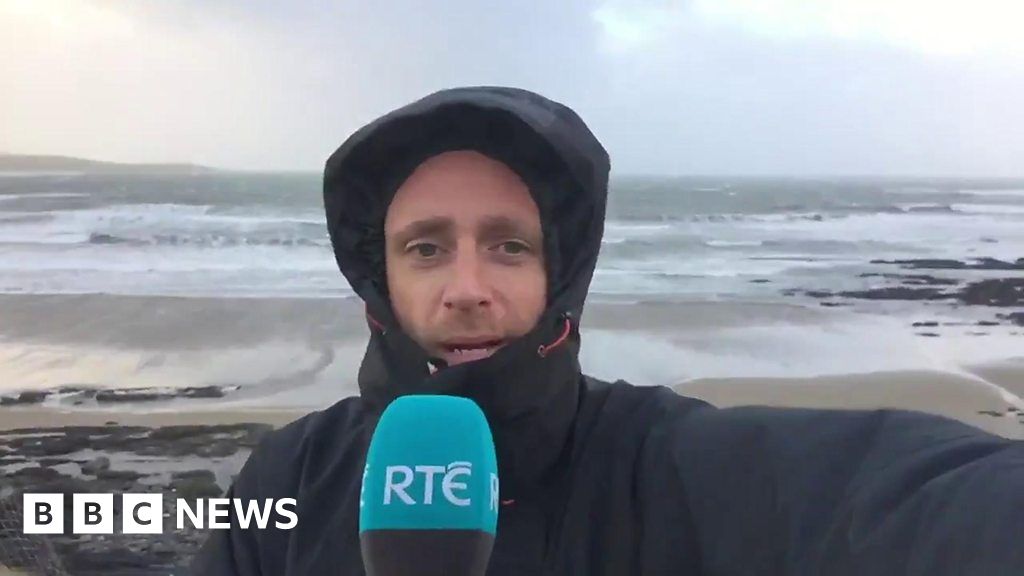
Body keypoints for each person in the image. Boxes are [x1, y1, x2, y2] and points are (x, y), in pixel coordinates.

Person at [191, 86, 1024, 575]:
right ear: (379, 279)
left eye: (509, 246)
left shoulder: (670, 467)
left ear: (563, 275)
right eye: (427, 248)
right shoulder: (293, 477)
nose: (468, 290)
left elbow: (912, 497)